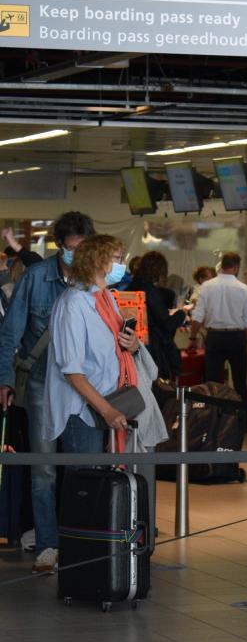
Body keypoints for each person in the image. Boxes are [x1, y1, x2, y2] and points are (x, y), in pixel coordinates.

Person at [0, 211, 95, 573]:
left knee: (81, 468)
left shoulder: (96, 281)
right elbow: (10, 332)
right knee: (43, 470)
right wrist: (5, 380)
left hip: (84, 387)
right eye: (72, 249)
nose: (77, 256)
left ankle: (79, 541)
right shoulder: (36, 279)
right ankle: (48, 544)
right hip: (40, 384)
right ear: (60, 246)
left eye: (83, 249)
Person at [43, 235, 142, 539]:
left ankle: (101, 548)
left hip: (108, 404)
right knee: (84, 487)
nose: (119, 265)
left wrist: (133, 344)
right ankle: (80, 552)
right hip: (84, 411)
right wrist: (107, 409)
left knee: (100, 484)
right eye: (115, 257)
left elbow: (113, 351)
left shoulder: (106, 299)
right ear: (98, 260)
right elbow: (72, 370)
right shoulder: (73, 303)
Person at [189, 252, 247, 401]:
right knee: (240, 382)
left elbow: (197, 316)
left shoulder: (206, 286)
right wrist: (244, 338)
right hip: (236, 337)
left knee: (212, 382)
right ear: (237, 267)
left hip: (214, 336)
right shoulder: (244, 289)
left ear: (222, 265)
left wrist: (192, 337)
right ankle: (240, 419)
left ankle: (213, 417)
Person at [129, 251, 187, 381]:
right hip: (151, 348)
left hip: (134, 345)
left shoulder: (131, 287)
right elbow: (167, 323)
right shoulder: (150, 291)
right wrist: (181, 313)